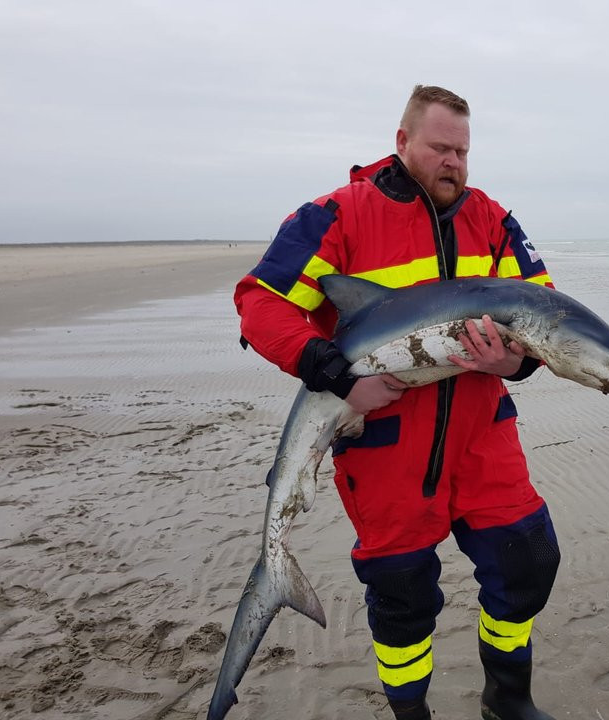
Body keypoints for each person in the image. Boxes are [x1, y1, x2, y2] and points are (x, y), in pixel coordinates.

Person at [235, 85, 560, 720]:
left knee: (528, 564)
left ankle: (508, 699)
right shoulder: (335, 216)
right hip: (383, 441)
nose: (455, 164)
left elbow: (544, 312)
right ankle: (411, 713)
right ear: (402, 142)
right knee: (402, 593)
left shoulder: (492, 220)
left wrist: (515, 362)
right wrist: (335, 374)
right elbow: (261, 304)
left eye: (463, 152)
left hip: (483, 432)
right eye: (441, 148)